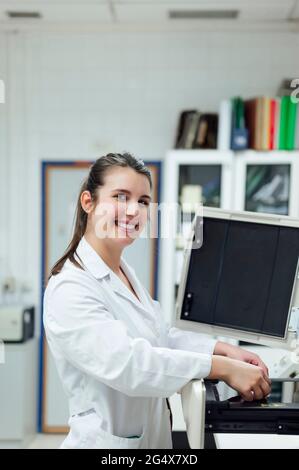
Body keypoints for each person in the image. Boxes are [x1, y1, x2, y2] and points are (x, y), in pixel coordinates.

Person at [43, 152, 271, 449]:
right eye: (120, 197)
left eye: (143, 201)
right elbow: (130, 364)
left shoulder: (123, 273)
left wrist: (223, 350)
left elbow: (157, 336)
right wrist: (221, 367)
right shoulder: (71, 287)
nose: (133, 211)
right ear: (89, 202)